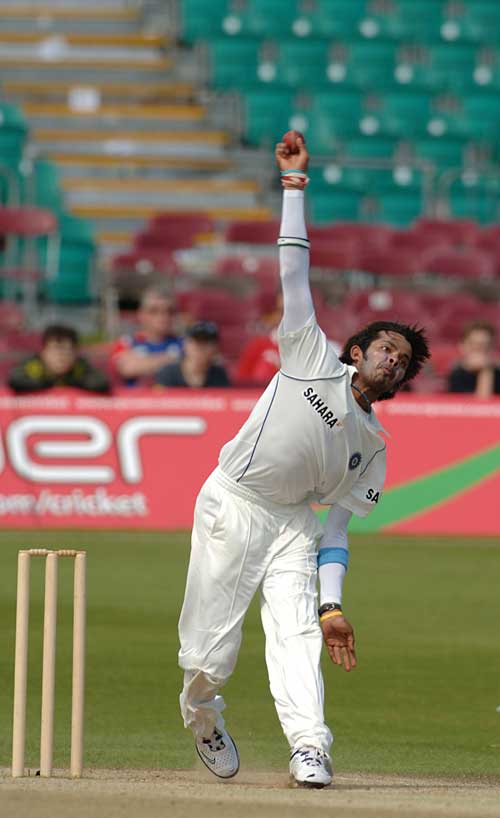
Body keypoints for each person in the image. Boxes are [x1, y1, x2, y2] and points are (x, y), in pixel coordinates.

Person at [177, 137, 430, 789]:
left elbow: (338, 531)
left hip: (295, 524)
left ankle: (310, 746)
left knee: (298, 637)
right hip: (235, 500)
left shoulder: (373, 446)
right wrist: (294, 185)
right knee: (211, 650)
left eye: (403, 360)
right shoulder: (309, 355)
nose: (393, 360)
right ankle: (202, 715)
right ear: (357, 349)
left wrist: (332, 606)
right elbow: (293, 272)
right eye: (385, 348)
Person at [111, 287, 182, 386]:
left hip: (173, 400)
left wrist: (145, 363)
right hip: (137, 400)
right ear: (141, 314)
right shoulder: (126, 342)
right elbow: (128, 368)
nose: (163, 316)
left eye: (169, 311)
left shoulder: (185, 342)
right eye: (154, 311)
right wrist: (175, 359)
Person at [8, 324, 110, 394]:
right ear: (43, 352)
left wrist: (71, 384)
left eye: (67, 351)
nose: (61, 356)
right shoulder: (33, 366)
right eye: (55, 350)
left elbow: (102, 383)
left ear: (75, 353)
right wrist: (50, 384)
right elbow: (15, 380)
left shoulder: (80, 368)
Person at [155, 321, 231, 388]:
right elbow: (159, 401)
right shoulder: (168, 373)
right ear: (185, 344)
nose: (200, 347)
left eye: (207, 343)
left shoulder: (219, 375)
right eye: (196, 342)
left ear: (215, 348)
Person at [447, 320, 500, 397]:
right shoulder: (456, 375)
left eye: (485, 346)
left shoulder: (497, 373)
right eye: (474, 345)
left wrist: (486, 369)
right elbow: (478, 405)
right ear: (462, 346)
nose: (479, 351)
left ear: (492, 348)